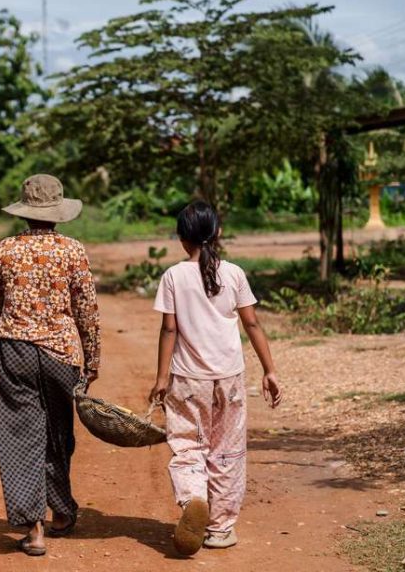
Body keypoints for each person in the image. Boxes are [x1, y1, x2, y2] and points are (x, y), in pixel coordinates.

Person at [149, 201, 283, 556]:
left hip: (188, 379)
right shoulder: (235, 274)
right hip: (229, 377)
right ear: (218, 233)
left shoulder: (173, 276)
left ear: (182, 239)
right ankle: (221, 528)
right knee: (227, 451)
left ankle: (194, 497)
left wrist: (162, 378)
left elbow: (168, 330)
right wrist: (269, 370)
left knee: (187, 444)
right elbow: (251, 323)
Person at [0, 174, 101, 557]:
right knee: (58, 434)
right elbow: (87, 311)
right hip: (61, 356)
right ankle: (61, 512)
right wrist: (92, 359)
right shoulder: (73, 250)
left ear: (24, 211)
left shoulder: (5, 250)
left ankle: (34, 529)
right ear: (59, 213)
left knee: (19, 437)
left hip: (12, 352)